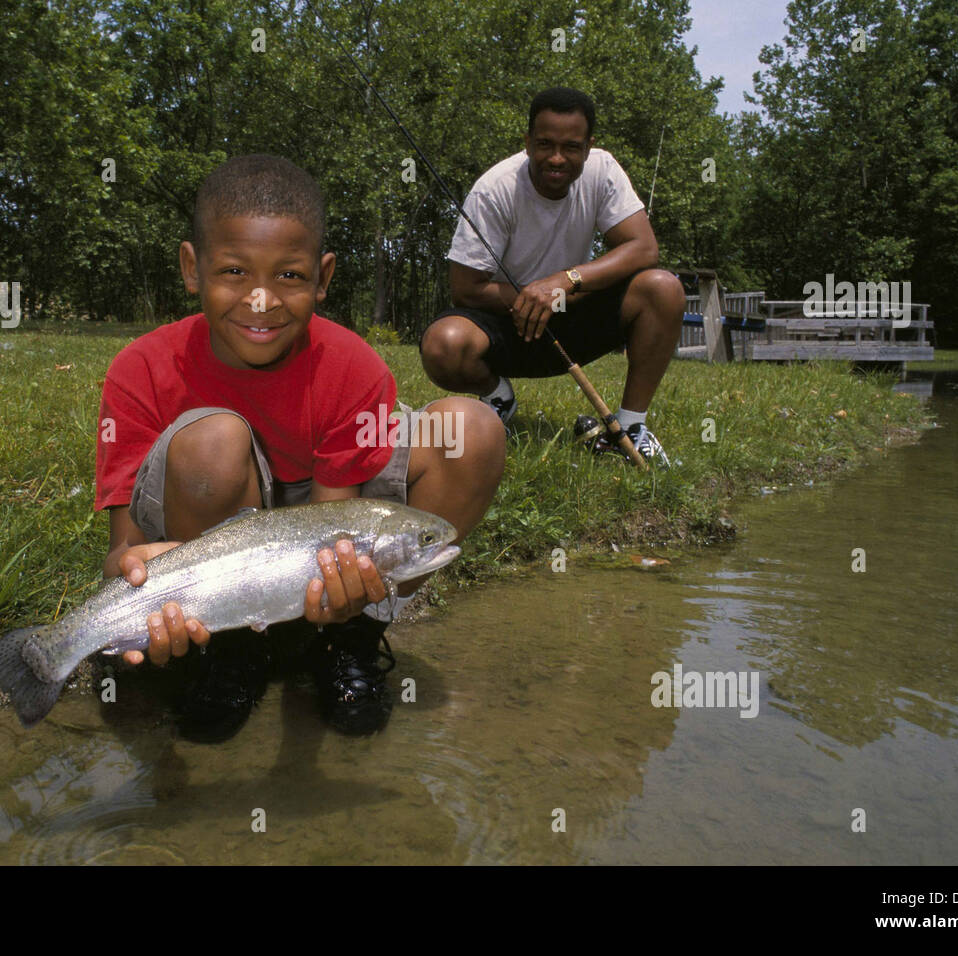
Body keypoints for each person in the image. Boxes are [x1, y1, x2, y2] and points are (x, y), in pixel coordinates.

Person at [94, 154, 505, 739]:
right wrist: (134, 570)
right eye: (234, 271)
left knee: (474, 428)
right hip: (203, 548)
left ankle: (347, 637)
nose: (261, 301)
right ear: (192, 266)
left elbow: (330, 522)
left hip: (306, 530)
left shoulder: (351, 367)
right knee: (213, 441)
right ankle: (229, 652)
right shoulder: (139, 369)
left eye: (289, 275)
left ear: (323, 277)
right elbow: (121, 555)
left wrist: (337, 596)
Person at [418, 87, 684, 464]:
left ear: (589, 146)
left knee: (664, 289)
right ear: (527, 143)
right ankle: (497, 397)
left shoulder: (603, 170)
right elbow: (465, 289)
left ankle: (630, 428)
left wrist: (563, 281)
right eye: (544, 144)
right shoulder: (494, 190)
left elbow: (644, 248)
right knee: (443, 343)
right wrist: (530, 297)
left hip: (574, 313)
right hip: (506, 325)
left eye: (571, 147)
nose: (557, 159)